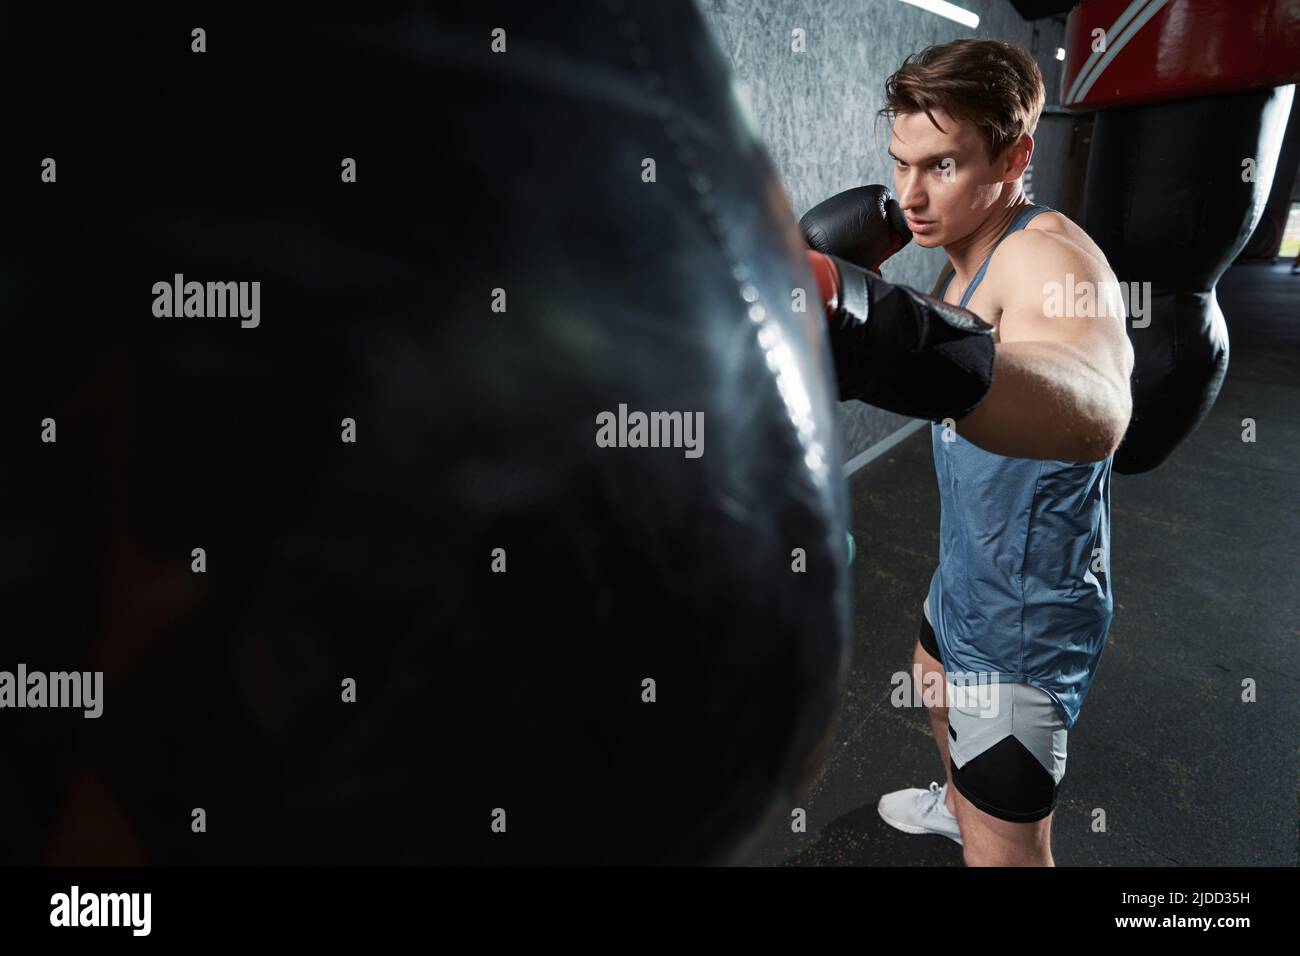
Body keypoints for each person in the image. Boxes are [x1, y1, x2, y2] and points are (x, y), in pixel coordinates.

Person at [802, 39, 1134, 866]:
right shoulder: (965, 250)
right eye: (901, 163)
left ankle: (987, 832)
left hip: (1024, 618)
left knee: (1009, 851)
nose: (911, 196)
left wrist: (886, 336)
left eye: (943, 165)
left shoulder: (1047, 260)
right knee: (929, 668)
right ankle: (957, 803)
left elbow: (1098, 403)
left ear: (1018, 155)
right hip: (969, 573)